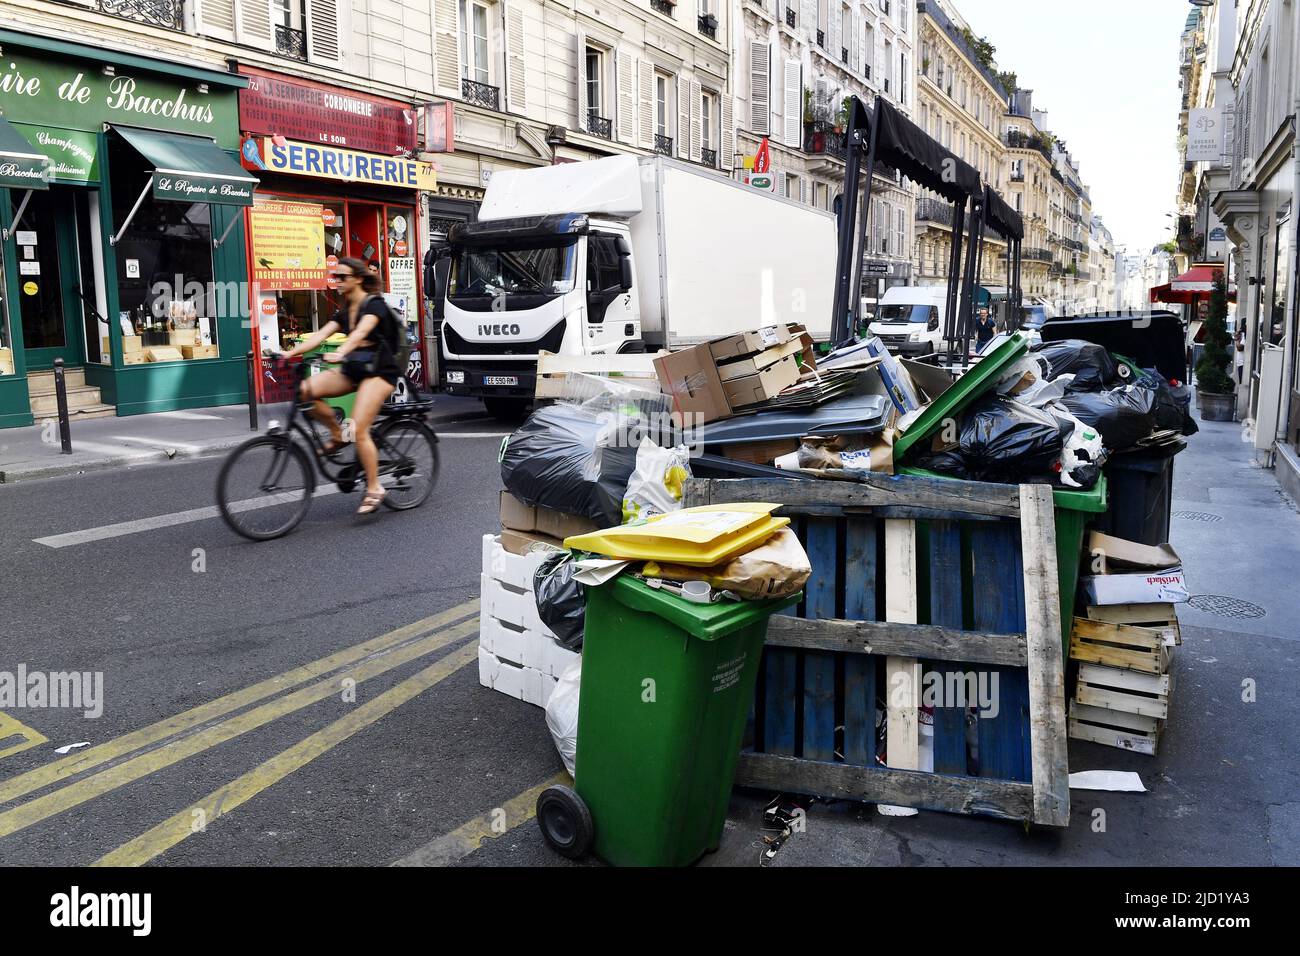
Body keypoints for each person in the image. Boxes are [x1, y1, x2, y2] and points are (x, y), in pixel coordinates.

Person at [282, 257, 401, 515]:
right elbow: (320, 335)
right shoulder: (345, 311)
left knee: (358, 429)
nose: (337, 281)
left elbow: (360, 333)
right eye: (335, 277)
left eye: (342, 277)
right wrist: (288, 354)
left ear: (357, 279)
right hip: (356, 368)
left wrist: (342, 351)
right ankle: (338, 434)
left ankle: (375, 487)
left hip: (380, 372)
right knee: (306, 391)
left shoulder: (375, 305)